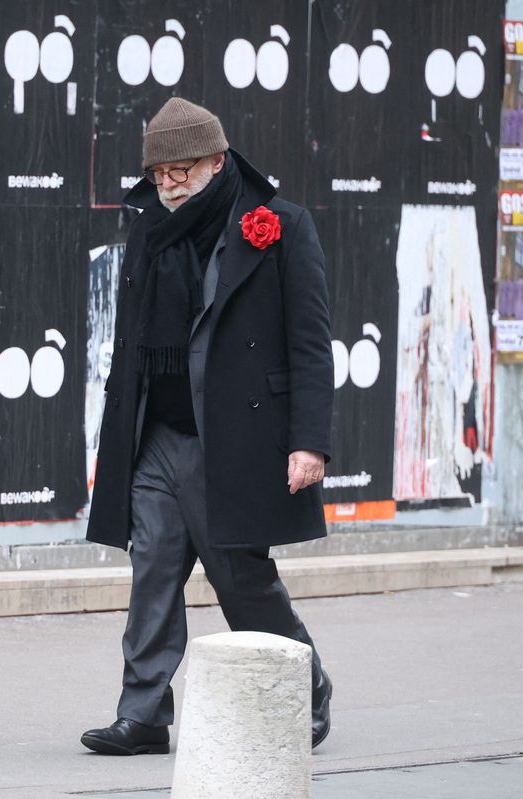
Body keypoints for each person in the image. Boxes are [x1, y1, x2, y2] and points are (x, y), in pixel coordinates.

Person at [81, 97, 335, 756]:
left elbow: (310, 344)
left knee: (242, 581)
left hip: (232, 443)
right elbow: (129, 338)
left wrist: (309, 441)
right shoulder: (147, 226)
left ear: (218, 163)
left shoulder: (279, 227)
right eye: (159, 172)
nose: (168, 183)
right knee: (153, 574)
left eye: (182, 170)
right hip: (156, 436)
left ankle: (303, 688)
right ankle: (143, 713)